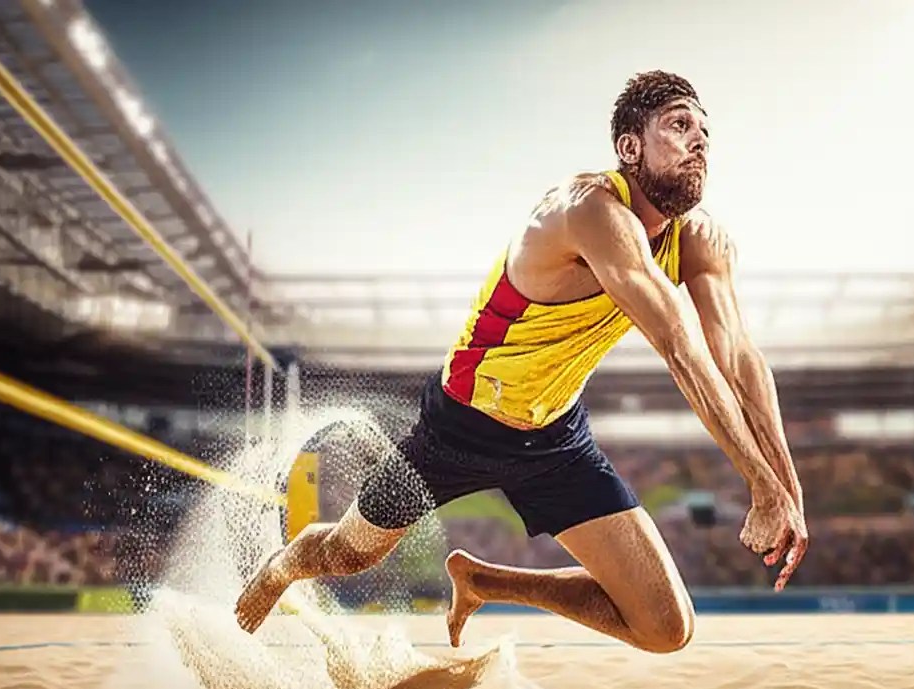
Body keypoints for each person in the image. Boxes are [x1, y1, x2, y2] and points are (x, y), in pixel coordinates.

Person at [235, 70, 809, 654]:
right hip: (461, 424)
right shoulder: (588, 211)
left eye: (705, 132)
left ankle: (485, 580)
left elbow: (736, 355)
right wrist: (757, 482)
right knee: (344, 555)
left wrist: (787, 490)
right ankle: (284, 564)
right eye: (680, 125)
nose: (699, 142)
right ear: (629, 148)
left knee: (666, 630)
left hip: (555, 437)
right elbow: (683, 351)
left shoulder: (701, 238)